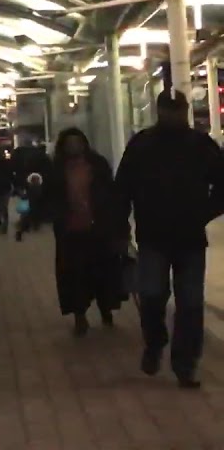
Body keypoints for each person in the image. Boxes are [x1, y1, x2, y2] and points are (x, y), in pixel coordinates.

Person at [116, 89, 224, 389]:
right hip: (154, 236)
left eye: (177, 109)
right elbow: (123, 188)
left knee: (190, 303)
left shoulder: (199, 145)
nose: (175, 115)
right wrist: (120, 227)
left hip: (187, 237)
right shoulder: (144, 144)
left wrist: (204, 212)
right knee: (152, 296)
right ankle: (156, 343)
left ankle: (184, 364)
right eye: (170, 109)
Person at [40, 128, 127, 336]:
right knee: (75, 275)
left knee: (102, 271)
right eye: (70, 144)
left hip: (99, 229)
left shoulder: (97, 165)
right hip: (71, 232)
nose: (74, 147)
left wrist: (118, 225)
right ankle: (80, 316)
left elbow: (111, 194)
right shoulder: (57, 170)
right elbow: (48, 197)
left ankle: (106, 309)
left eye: (77, 143)